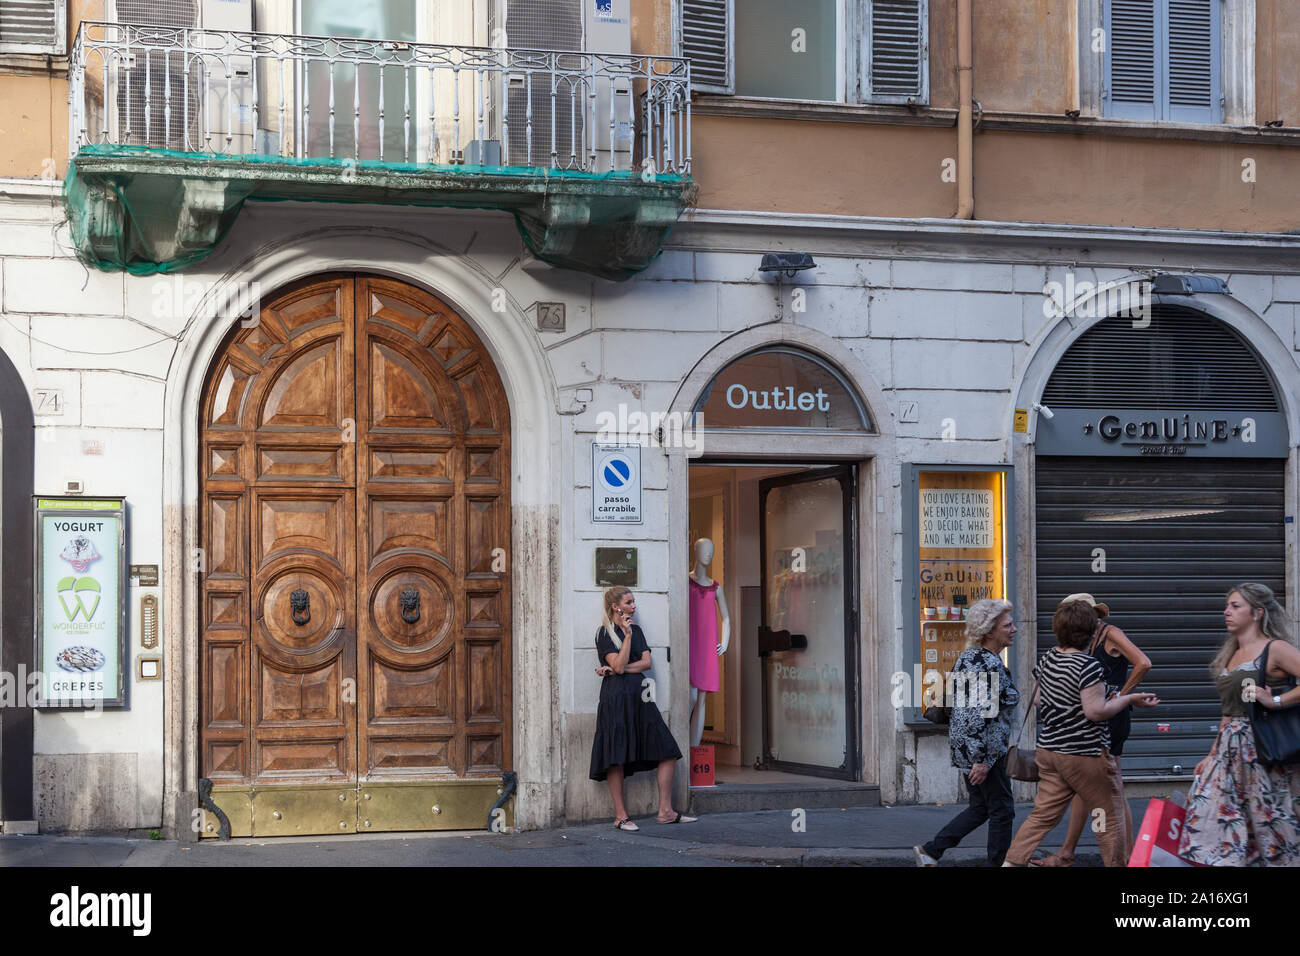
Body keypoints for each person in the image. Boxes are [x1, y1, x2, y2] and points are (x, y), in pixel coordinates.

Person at [1003, 600, 1159, 867]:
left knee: (1042, 815)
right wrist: (1128, 699)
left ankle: (1012, 863)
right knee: (1105, 817)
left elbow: (1039, 699)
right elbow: (1095, 711)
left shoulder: (1048, 658)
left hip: (1050, 753)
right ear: (1090, 632)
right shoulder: (1089, 667)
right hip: (1085, 756)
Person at [1178, 583, 1300, 866]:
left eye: (1235, 606)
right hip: (1229, 751)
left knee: (1270, 824)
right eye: (1227, 606)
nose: (1226, 612)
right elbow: (1228, 710)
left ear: (1257, 613)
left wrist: (1276, 701)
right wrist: (1211, 755)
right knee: (1209, 812)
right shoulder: (1231, 653)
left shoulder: (1275, 649)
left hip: (1263, 749)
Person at [914, 598, 1021, 867]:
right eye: (1008, 625)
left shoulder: (974, 658)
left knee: (981, 808)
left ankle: (931, 851)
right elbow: (971, 716)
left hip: (978, 750)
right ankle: (995, 864)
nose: (1014, 629)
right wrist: (980, 760)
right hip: (985, 752)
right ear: (989, 631)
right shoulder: (982, 663)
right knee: (1002, 811)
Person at [589, 586, 697, 831]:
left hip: (641, 696)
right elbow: (617, 663)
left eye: (633, 601)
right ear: (616, 607)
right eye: (629, 602)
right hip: (615, 699)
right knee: (616, 757)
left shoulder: (637, 629)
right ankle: (621, 816)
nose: (634, 606)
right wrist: (625, 640)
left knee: (667, 750)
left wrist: (619, 668)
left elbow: (646, 663)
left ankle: (666, 811)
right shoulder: (604, 633)